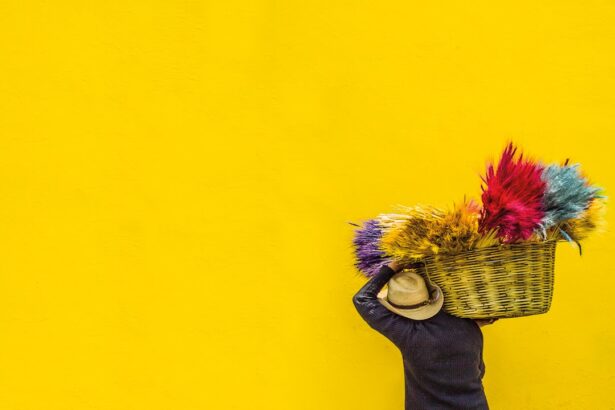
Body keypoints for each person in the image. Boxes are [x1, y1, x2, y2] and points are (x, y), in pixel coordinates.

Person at [352, 260, 497, 410]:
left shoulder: (407, 334)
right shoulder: (469, 326)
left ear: (398, 311)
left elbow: (362, 299)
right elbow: (480, 371)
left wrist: (393, 267)